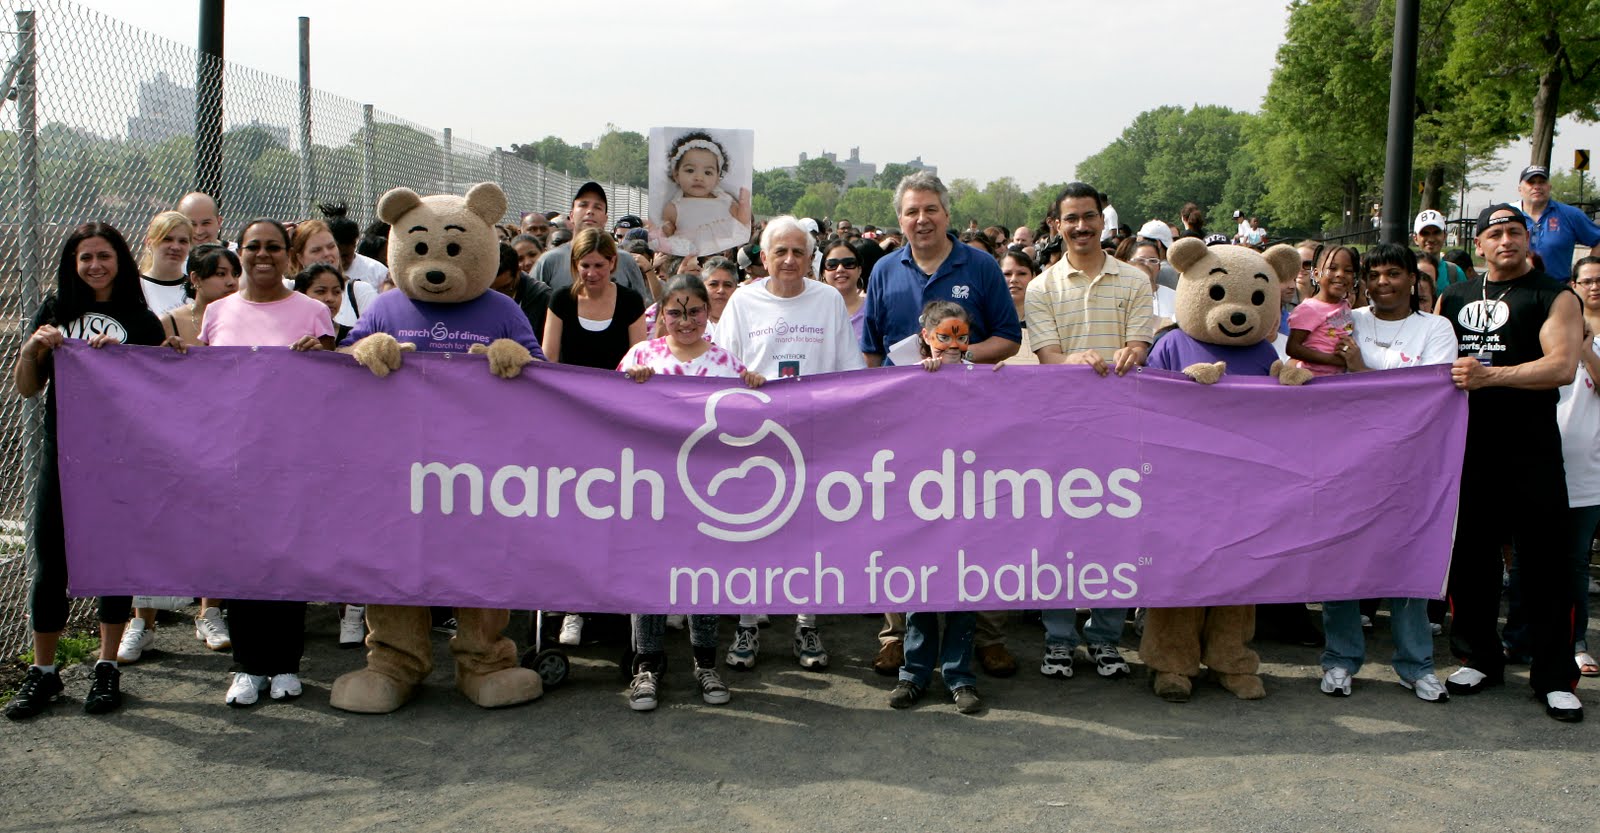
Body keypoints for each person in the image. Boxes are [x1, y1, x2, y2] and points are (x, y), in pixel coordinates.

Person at [5, 223, 175, 720]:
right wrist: (33, 349)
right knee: (50, 563)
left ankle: (106, 666)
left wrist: (127, 359)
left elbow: (158, 396)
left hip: (119, 464)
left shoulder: (141, 321)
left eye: (103, 256)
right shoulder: (56, 312)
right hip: (62, 459)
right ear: (72, 264)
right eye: (85, 258)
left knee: (111, 561)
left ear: (120, 260)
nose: (95, 265)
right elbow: (26, 388)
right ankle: (43, 671)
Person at [1436, 203, 1584, 722]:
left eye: (1515, 231)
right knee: (1470, 559)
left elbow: (1562, 367)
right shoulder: (1452, 296)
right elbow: (1432, 369)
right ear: (1478, 244)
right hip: (1468, 449)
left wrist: (1489, 377)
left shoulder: (1555, 295)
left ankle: (1553, 675)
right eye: (1495, 233)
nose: (1505, 240)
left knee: (1545, 563)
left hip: (1532, 448)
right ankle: (1478, 656)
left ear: (1529, 239)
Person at [715, 216, 865, 670]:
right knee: (751, 533)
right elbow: (724, 367)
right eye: (780, 251)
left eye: (799, 252)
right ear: (763, 258)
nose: (789, 260)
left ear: (810, 257)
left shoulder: (827, 301)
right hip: (755, 437)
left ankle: (806, 625)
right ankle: (746, 625)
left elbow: (849, 370)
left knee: (809, 534)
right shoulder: (743, 301)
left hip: (814, 436)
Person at [201, 218, 336, 708]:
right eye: (253, 246)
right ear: (239, 251)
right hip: (235, 456)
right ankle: (247, 666)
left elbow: (332, 386)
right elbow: (205, 381)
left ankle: (284, 663)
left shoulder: (314, 311)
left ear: (289, 256)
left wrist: (321, 355)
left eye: (273, 247)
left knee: (285, 557)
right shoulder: (217, 312)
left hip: (294, 457)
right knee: (242, 560)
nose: (263, 255)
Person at [1319, 244, 1460, 703]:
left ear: (1414, 279)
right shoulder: (1346, 319)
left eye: (1393, 273)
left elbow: (1427, 390)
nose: (1383, 282)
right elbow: (1315, 372)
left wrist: (1359, 369)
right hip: (1346, 464)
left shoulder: (1436, 328)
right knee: (1341, 566)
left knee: (1409, 565)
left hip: (1412, 468)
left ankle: (1416, 665)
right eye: (1374, 274)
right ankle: (1340, 660)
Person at [618, 274, 764, 710]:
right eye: (676, 312)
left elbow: (746, 422)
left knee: (703, 576)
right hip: (652, 489)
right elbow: (606, 410)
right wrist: (630, 385)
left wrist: (754, 387)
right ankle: (647, 667)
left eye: (694, 311)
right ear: (661, 314)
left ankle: (704, 663)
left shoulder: (725, 362)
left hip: (706, 492)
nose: (685, 321)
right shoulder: (641, 355)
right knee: (650, 576)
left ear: (707, 312)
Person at [1022, 182, 1149, 681]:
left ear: (1103, 221)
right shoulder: (1041, 288)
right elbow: (1049, 357)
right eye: (1070, 218)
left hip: (1122, 430)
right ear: (1056, 225)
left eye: (1089, 217)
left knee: (1116, 536)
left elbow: (1140, 343)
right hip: (1063, 430)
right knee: (1059, 535)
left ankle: (1104, 638)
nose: (1080, 227)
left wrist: (1132, 353)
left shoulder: (1135, 280)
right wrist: (1072, 361)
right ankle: (1058, 637)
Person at [118, 243, 242, 664]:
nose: (229, 281)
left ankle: (210, 612)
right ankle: (142, 623)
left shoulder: (240, 321)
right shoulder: (167, 321)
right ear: (195, 279)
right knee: (156, 526)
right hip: (171, 440)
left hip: (225, 439)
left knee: (219, 524)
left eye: (233, 273)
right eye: (219, 273)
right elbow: (145, 379)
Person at [887, 301, 984, 715]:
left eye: (961, 336)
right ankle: (914, 673)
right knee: (921, 588)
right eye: (944, 336)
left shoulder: (981, 378)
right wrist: (916, 382)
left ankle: (959, 676)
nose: (953, 345)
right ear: (926, 337)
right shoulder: (905, 376)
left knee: (964, 589)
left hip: (970, 496)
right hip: (921, 500)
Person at [861, 171, 1020, 368]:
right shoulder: (883, 271)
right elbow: (872, 351)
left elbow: (1009, 338)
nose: (922, 219)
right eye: (912, 212)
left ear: (946, 215)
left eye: (931, 209)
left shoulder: (983, 266)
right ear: (900, 221)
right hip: (902, 395)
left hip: (964, 393)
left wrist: (959, 355)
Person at [1557, 257, 1600, 678]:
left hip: (1589, 474)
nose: (1594, 287)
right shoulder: (1552, 325)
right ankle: (1520, 638)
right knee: (1523, 563)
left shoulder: (1590, 340)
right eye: (1586, 281)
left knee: (1574, 562)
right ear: (1573, 285)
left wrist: (1586, 348)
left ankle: (1577, 641)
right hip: (1544, 463)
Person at [543, 228, 648, 370]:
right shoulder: (561, 300)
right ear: (575, 264)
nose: (591, 273)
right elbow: (549, 360)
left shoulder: (631, 302)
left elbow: (639, 360)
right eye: (585, 266)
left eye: (599, 265)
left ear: (612, 262)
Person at [532, 182, 651, 302]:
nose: (590, 211)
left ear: (605, 219)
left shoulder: (626, 261)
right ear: (571, 215)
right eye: (583, 205)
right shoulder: (548, 262)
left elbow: (640, 311)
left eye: (597, 207)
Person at [654, 131, 752, 257]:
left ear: (717, 178)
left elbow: (742, 220)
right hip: (688, 253)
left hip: (722, 250)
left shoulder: (724, 200)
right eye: (690, 170)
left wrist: (744, 204)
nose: (699, 177)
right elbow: (668, 227)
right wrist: (666, 228)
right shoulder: (674, 207)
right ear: (676, 175)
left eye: (708, 172)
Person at [289, 219, 378, 334]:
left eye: (331, 247)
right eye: (316, 250)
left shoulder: (359, 291)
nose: (327, 253)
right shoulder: (289, 290)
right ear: (300, 258)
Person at [1515, 165, 1600, 282]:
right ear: (1520, 189)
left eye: (1541, 182)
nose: (1537, 187)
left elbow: (1598, 240)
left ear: (1549, 187)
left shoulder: (1570, 214)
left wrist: (1583, 275)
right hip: (1517, 288)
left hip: (1558, 289)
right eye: (1531, 182)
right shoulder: (1508, 215)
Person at [1286, 245, 1358, 376]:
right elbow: (1292, 348)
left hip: (1338, 381)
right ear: (1316, 274)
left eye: (1348, 270)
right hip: (1312, 381)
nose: (1340, 274)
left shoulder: (1346, 305)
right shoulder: (1308, 309)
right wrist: (1335, 361)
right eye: (1332, 268)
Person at [320, 202, 389, 292]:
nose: (341, 262)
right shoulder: (318, 272)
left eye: (345, 256)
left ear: (354, 244)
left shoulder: (377, 272)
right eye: (337, 255)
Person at [138, 211, 194, 316]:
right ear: (149, 243)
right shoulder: (135, 288)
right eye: (167, 239)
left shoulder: (196, 288)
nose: (175, 247)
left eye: (183, 241)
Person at [492, 241, 553, 339]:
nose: (496, 294)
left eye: (504, 288)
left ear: (518, 271)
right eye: (490, 289)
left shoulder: (543, 298)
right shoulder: (472, 294)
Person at [821, 238, 867, 342]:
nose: (840, 269)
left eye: (849, 263)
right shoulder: (812, 312)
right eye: (832, 265)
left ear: (859, 270)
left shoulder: (874, 311)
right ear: (824, 272)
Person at [294, 262, 351, 342]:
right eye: (321, 291)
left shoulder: (352, 337)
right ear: (301, 294)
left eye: (336, 292)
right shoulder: (287, 334)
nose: (330, 298)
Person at [1413, 209, 1466, 293]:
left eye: (1436, 232)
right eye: (1425, 233)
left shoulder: (1455, 273)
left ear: (1445, 236)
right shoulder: (1406, 270)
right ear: (1415, 238)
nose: (1431, 239)